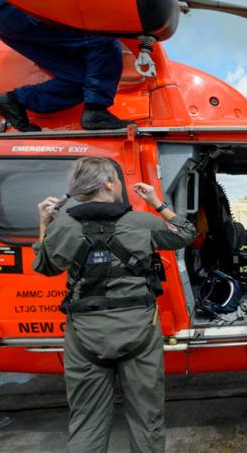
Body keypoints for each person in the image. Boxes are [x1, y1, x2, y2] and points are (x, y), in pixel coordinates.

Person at [33, 157, 196, 452]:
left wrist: (44, 224)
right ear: (109, 183)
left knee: (86, 423)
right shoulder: (143, 223)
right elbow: (185, 233)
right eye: (117, 179)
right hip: (139, 333)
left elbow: (45, 266)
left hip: (84, 334)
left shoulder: (62, 228)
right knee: (147, 420)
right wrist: (157, 203)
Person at [0, 0, 136, 132]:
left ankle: (15, 101)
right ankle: (96, 112)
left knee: (80, 80)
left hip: (10, 14)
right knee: (104, 41)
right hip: (15, 0)